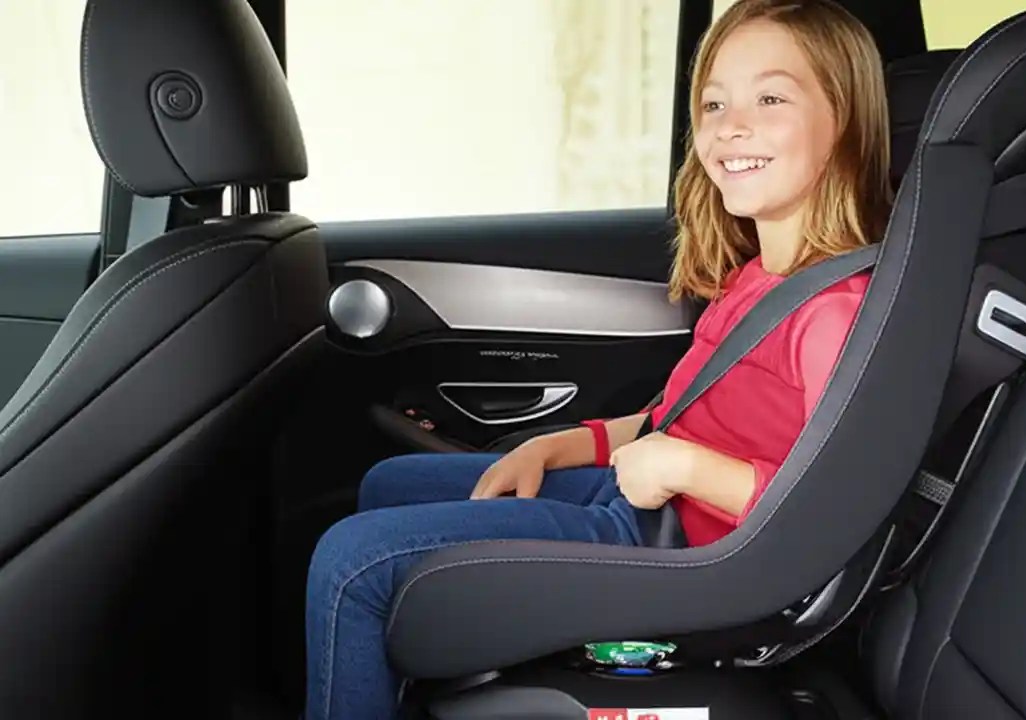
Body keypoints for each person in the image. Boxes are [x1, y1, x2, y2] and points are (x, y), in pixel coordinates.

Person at [303, 1, 893, 717]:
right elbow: (673, 419)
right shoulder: (757, 278)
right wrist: (560, 445)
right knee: (389, 483)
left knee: (349, 564)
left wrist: (687, 469)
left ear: (847, 123)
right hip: (640, 499)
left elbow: (833, 509)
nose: (730, 126)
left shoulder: (833, 311)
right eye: (713, 103)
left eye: (770, 98)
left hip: (679, 551)